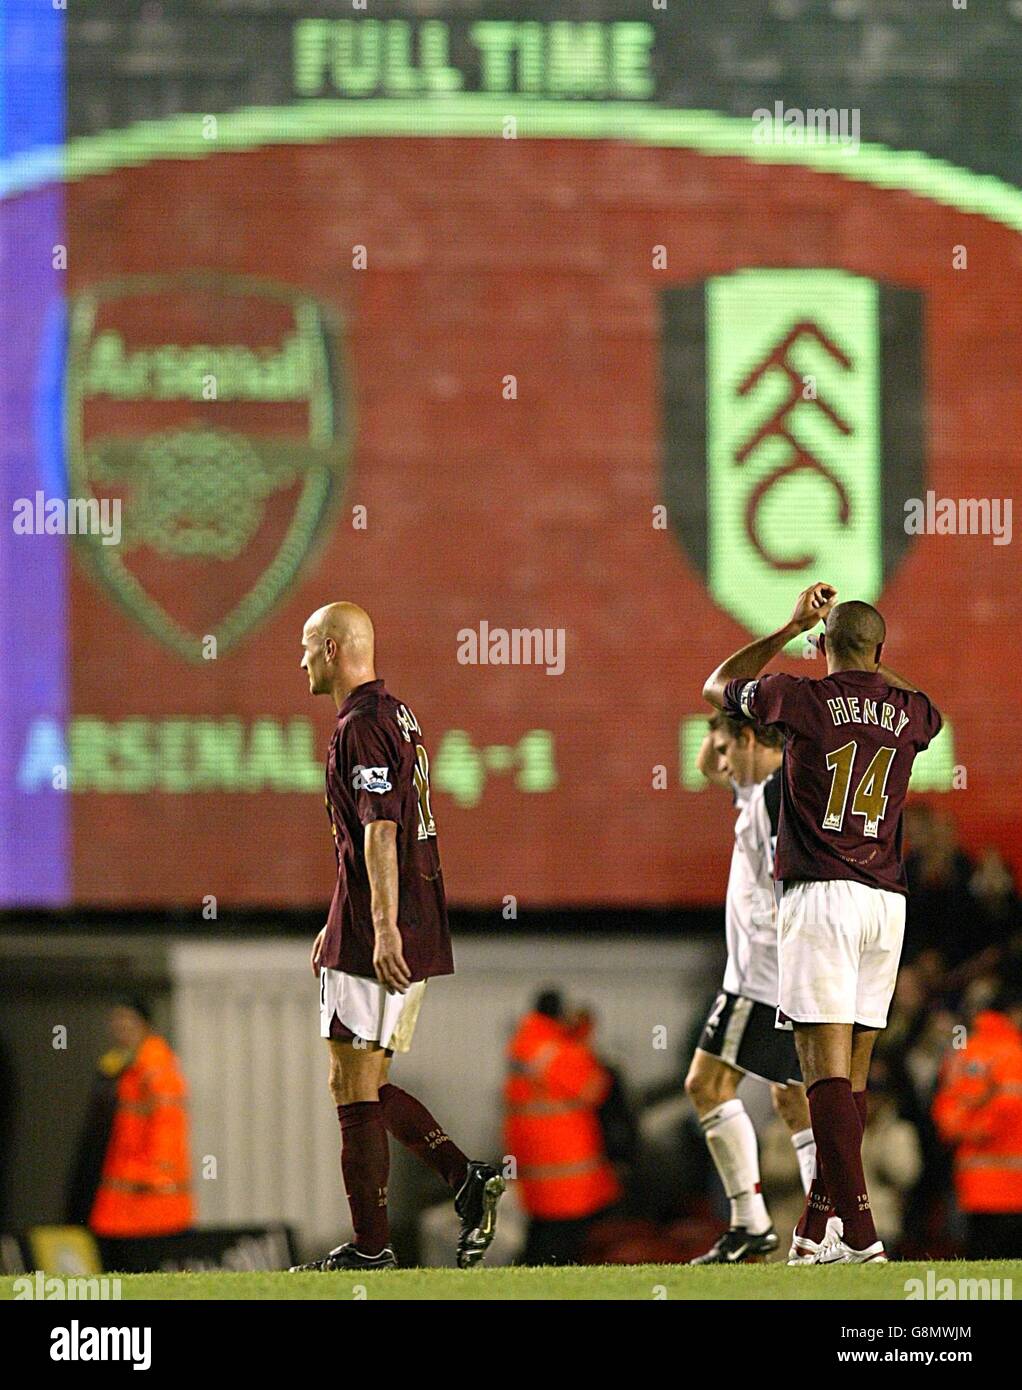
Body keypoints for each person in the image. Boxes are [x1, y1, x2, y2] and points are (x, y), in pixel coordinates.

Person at [703, 582, 942, 1263]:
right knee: (855, 1077)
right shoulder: (909, 710)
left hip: (821, 896)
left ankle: (861, 1237)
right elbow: (928, 708)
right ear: (879, 652)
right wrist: (866, 666)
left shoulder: (801, 697)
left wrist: (789, 628)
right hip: (885, 903)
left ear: (823, 647)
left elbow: (718, 685)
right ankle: (814, 1231)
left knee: (823, 1077)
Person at [291, 602, 504, 1272]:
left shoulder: (362, 724)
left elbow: (380, 829)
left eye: (307, 645)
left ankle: (372, 1246)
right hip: (401, 917)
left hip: (382, 927)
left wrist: (379, 928)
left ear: (332, 648)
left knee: (350, 1081)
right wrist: (341, 919)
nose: (301, 660)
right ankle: (465, 1182)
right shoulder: (396, 715)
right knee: (366, 1079)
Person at [686, 711, 822, 1263]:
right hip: (785, 976)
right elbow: (705, 763)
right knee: (795, 1099)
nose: (717, 762)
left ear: (748, 739)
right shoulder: (761, 787)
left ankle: (750, 1221)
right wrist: (728, 709)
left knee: (707, 1084)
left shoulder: (774, 796)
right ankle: (832, 1226)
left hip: (761, 976)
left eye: (726, 747)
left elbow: (789, 886)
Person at [505, 990, 621, 1265]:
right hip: (564, 1170)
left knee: (542, 1238)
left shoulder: (528, 1042)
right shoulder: (552, 1048)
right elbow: (595, 1087)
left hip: (541, 1167)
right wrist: (581, 1037)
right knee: (559, 1245)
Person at [82, 1001, 194, 1242]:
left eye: (128, 1021)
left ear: (145, 1025)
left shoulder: (155, 1066)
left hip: (147, 1193)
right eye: (117, 1021)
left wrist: (156, 1176)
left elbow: (168, 1124)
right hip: (123, 1184)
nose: (121, 1027)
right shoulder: (119, 1065)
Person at [932, 969, 1022, 1259]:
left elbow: (945, 1111)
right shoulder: (1013, 1053)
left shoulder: (961, 1053)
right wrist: (983, 1128)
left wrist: (968, 1129)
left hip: (971, 1179)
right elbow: (1010, 1108)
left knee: (980, 1263)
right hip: (1012, 1184)